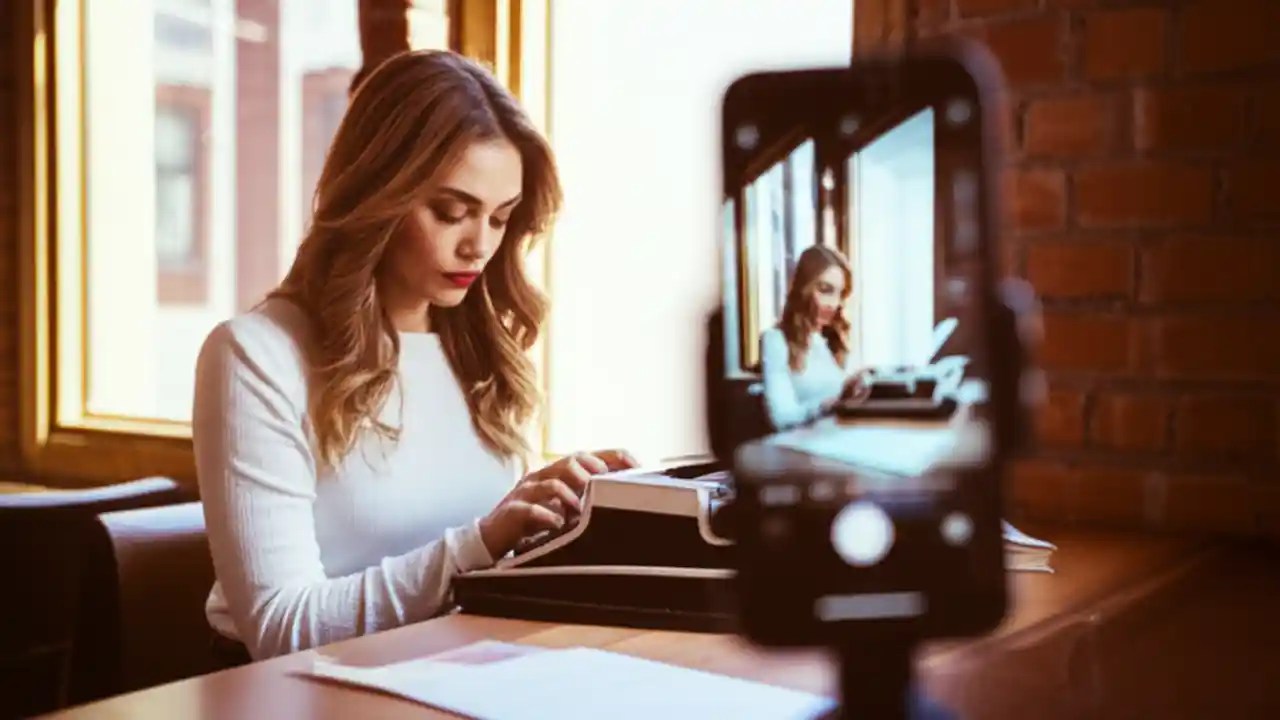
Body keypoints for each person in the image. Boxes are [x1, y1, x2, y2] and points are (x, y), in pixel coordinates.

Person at [192, 49, 637, 663]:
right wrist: (482, 539)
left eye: (500, 218)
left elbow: (474, 566)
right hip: (290, 693)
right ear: (378, 193)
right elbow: (280, 628)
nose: (477, 245)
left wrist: (556, 519)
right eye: (450, 212)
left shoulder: (481, 354)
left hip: (441, 669)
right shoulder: (256, 355)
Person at [758, 244, 872, 431]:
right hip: (802, 449)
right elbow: (782, 419)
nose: (833, 304)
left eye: (840, 294)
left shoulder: (831, 342)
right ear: (805, 287)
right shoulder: (776, 341)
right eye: (825, 289)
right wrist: (830, 404)